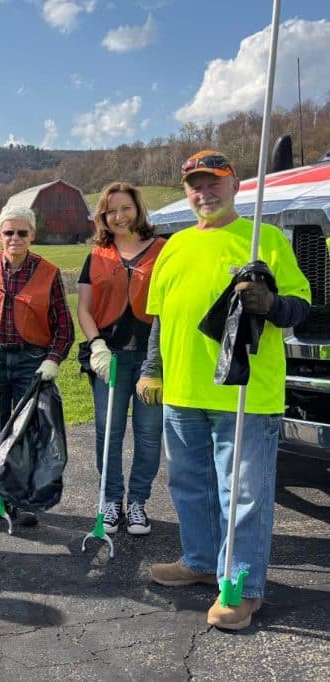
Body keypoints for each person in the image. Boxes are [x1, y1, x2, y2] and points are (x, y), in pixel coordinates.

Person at [138, 150, 310, 630]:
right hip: (184, 392)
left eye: (213, 183)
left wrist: (272, 303)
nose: (203, 192)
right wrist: (153, 369)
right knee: (189, 485)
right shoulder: (173, 246)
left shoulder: (265, 238)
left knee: (243, 494)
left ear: (235, 185)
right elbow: (161, 317)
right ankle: (199, 560)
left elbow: (301, 309)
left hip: (245, 394)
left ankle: (242, 589)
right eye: (194, 184)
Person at [0, 204, 75, 527]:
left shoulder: (48, 273)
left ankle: (24, 501)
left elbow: (64, 327)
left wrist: (53, 360)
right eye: (8, 232)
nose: (15, 238)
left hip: (31, 363)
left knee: (25, 434)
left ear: (32, 235)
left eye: (22, 233)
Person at [76, 183, 165, 536]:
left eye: (125, 208)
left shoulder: (163, 250)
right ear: (103, 216)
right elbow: (84, 308)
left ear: (137, 209)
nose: (119, 216)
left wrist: (158, 361)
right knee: (108, 433)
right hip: (108, 359)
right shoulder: (96, 255)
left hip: (151, 360)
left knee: (147, 434)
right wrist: (95, 344)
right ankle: (111, 500)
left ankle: (138, 502)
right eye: (111, 211)